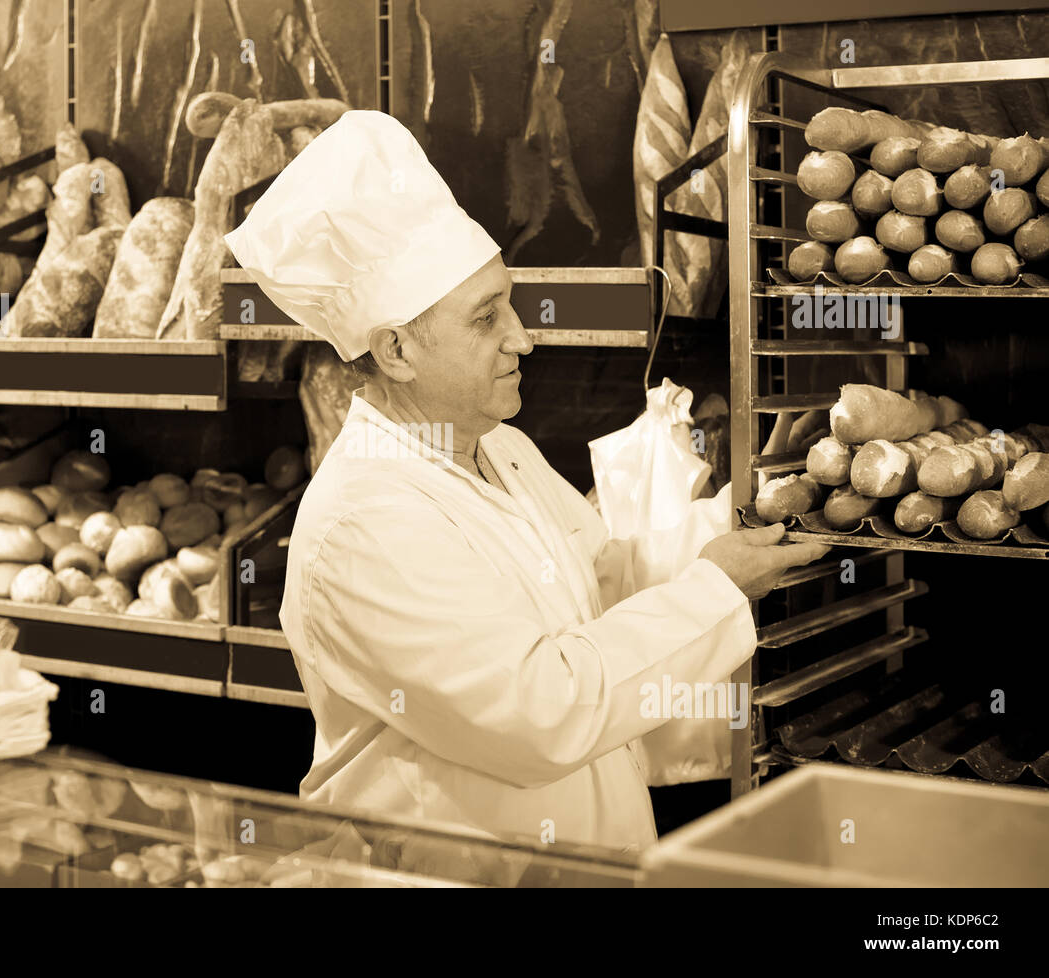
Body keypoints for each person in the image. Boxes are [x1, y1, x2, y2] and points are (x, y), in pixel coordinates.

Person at [225, 110, 827, 860]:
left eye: (507, 302)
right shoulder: (364, 522)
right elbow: (541, 712)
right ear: (398, 349)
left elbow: (600, 580)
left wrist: (738, 526)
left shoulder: (498, 448)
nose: (523, 336)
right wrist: (717, 589)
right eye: (486, 318)